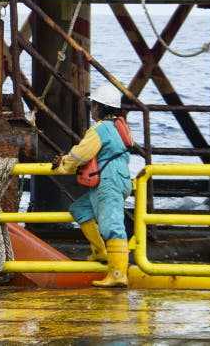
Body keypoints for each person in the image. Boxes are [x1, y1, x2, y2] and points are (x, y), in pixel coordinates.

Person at [51, 84, 133, 288]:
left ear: (99, 107)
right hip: (119, 178)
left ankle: (117, 274)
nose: (91, 109)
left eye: (93, 105)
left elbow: (81, 154)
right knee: (80, 209)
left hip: (108, 181)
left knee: (111, 225)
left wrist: (62, 165)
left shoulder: (100, 129)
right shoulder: (116, 126)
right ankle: (100, 252)